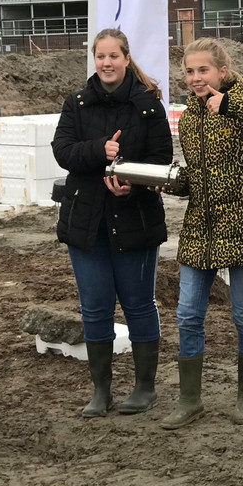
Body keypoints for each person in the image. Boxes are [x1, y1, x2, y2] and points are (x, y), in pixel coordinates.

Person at [160, 38, 243, 430]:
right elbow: (195, 180)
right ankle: (189, 400)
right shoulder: (189, 118)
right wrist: (167, 182)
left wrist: (233, 103)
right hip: (201, 228)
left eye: (203, 70)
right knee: (187, 314)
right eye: (190, 71)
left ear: (223, 71)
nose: (196, 77)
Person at [52, 28, 173, 417]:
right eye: (100, 56)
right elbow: (63, 151)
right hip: (87, 223)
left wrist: (130, 188)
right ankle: (101, 391)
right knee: (95, 307)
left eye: (113, 56)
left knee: (138, 305)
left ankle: (143, 387)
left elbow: (161, 162)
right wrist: (98, 150)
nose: (106, 63)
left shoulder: (148, 105)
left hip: (135, 217)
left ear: (125, 58)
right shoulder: (77, 102)